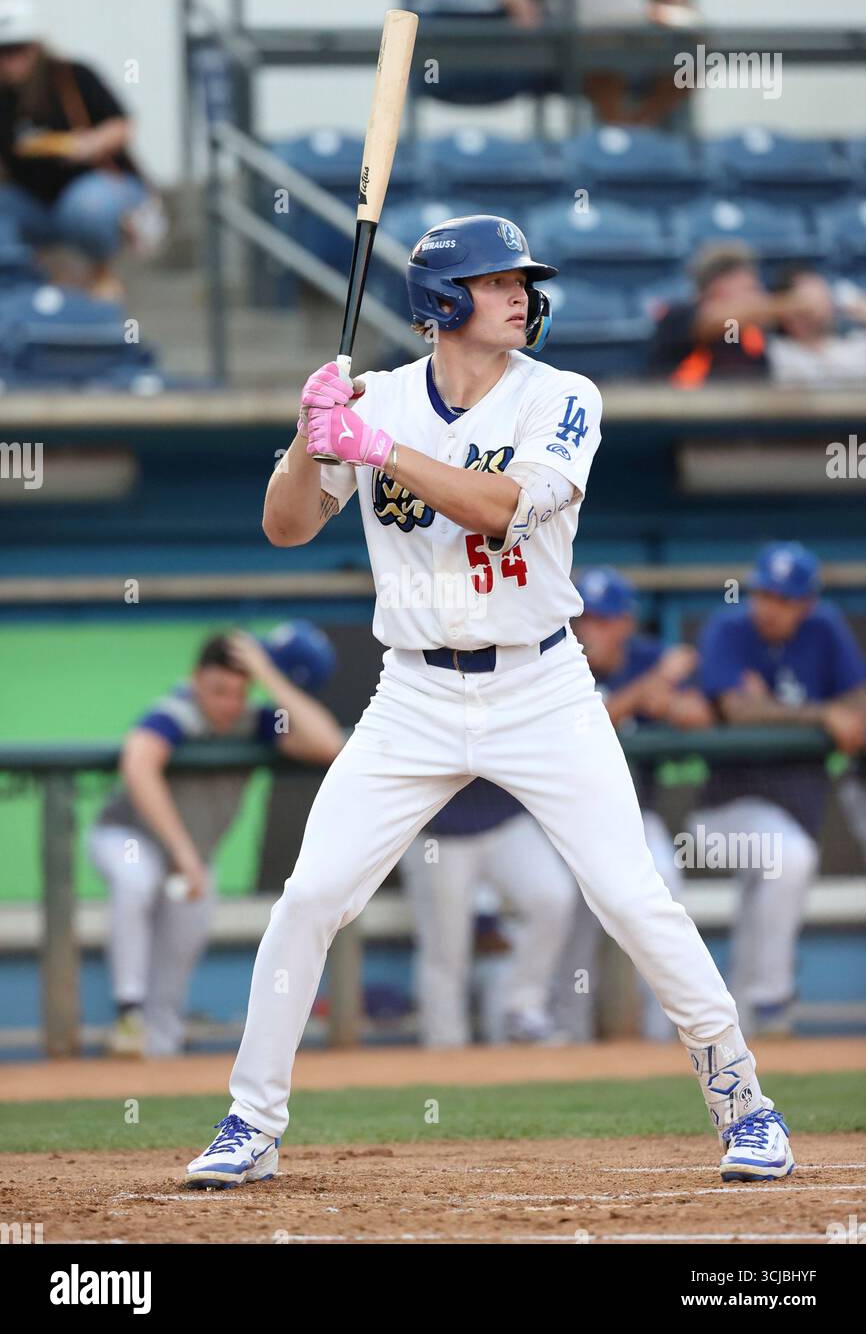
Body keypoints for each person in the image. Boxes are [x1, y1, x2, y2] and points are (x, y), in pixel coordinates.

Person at [186, 213, 794, 1189]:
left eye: (522, 279)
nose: (519, 292)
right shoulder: (377, 398)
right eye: (495, 279)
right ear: (439, 302)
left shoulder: (561, 398)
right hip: (411, 691)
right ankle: (249, 1122)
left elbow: (500, 508)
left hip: (540, 683)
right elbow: (284, 526)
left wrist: (371, 444)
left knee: (633, 896)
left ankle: (745, 1106)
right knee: (307, 897)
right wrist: (309, 443)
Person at [87, 631, 345, 1057]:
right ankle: (127, 1010)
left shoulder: (255, 719)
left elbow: (328, 743)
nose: (228, 702)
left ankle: (154, 1051)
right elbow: (138, 762)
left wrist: (268, 675)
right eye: (218, 690)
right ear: (195, 679)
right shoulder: (177, 709)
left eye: (239, 692)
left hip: (193, 859)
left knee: (175, 973)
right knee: (137, 880)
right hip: (128, 837)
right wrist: (184, 852)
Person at [695, 543, 866, 1036]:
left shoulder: (825, 627)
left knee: (767, 890)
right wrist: (820, 711)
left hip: (795, 809)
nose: (768, 607)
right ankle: (772, 998)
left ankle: (743, 1026)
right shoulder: (729, 627)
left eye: (783, 598)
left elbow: (857, 701)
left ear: (807, 602)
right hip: (719, 813)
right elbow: (737, 710)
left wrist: (779, 706)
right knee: (786, 856)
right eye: (763, 593)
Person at [551, 565, 712, 1042]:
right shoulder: (554, 656)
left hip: (635, 815)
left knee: (665, 891)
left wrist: (675, 704)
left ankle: (667, 1035)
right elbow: (585, 723)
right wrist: (643, 693)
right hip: (560, 817)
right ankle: (564, 1037)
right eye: (584, 617)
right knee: (569, 915)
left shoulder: (647, 657)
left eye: (603, 618)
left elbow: (699, 713)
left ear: (624, 622)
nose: (590, 629)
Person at [401, 777, 577, 1047]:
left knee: (552, 897)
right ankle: (445, 1044)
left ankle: (523, 1009)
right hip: (434, 830)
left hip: (507, 815)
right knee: (445, 949)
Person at [0, 0, 152, 298]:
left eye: (17, 50)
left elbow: (122, 124)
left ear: (36, 47)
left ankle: (100, 272)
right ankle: (25, 287)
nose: (9, 61)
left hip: (95, 188)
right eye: (2, 53)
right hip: (35, 200)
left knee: (85, 208)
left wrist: (89, 144)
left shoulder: (72, 76)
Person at [494, 0, 697, 126]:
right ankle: (617, 130)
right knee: (604, 53)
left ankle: (638, 126)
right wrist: (527, 14)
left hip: (640, 27)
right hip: (584, 33)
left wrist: (680, 14)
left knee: (696, 53)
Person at [649, 242, 831, 386]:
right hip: (681, 422)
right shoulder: (680, 316)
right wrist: (793, 302)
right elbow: (717, 320)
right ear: (716, 287)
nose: (756, 292)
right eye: (746, 288)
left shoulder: (749, 334)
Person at [766, 265, 866, 385]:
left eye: (825, 293)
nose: (825, 300)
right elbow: (736, 320)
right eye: (811, 295)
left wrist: (855, 303)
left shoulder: (854, 346)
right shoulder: (777, 351)